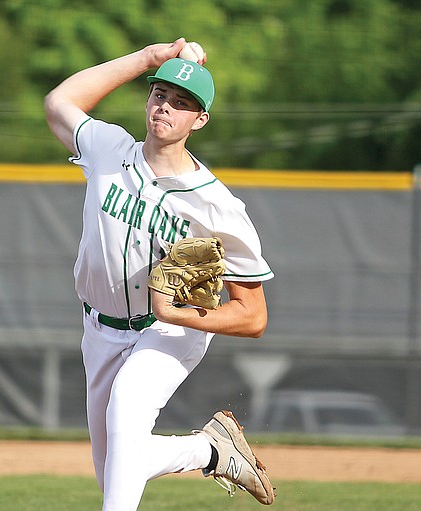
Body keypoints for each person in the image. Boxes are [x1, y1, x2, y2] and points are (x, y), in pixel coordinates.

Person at [44, 38, 276, 509]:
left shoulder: (216, 207)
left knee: (128, 408)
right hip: (99, 329)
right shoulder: (110, 151)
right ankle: (211, 450)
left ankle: (210, 451)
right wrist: (148, 59)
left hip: (168, 331)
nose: (166, 107)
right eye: (160, 94)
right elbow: (58, 103)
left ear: (200, 120)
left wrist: (183, 316)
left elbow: (252, 317)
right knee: (114, 470)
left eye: (183, 102)